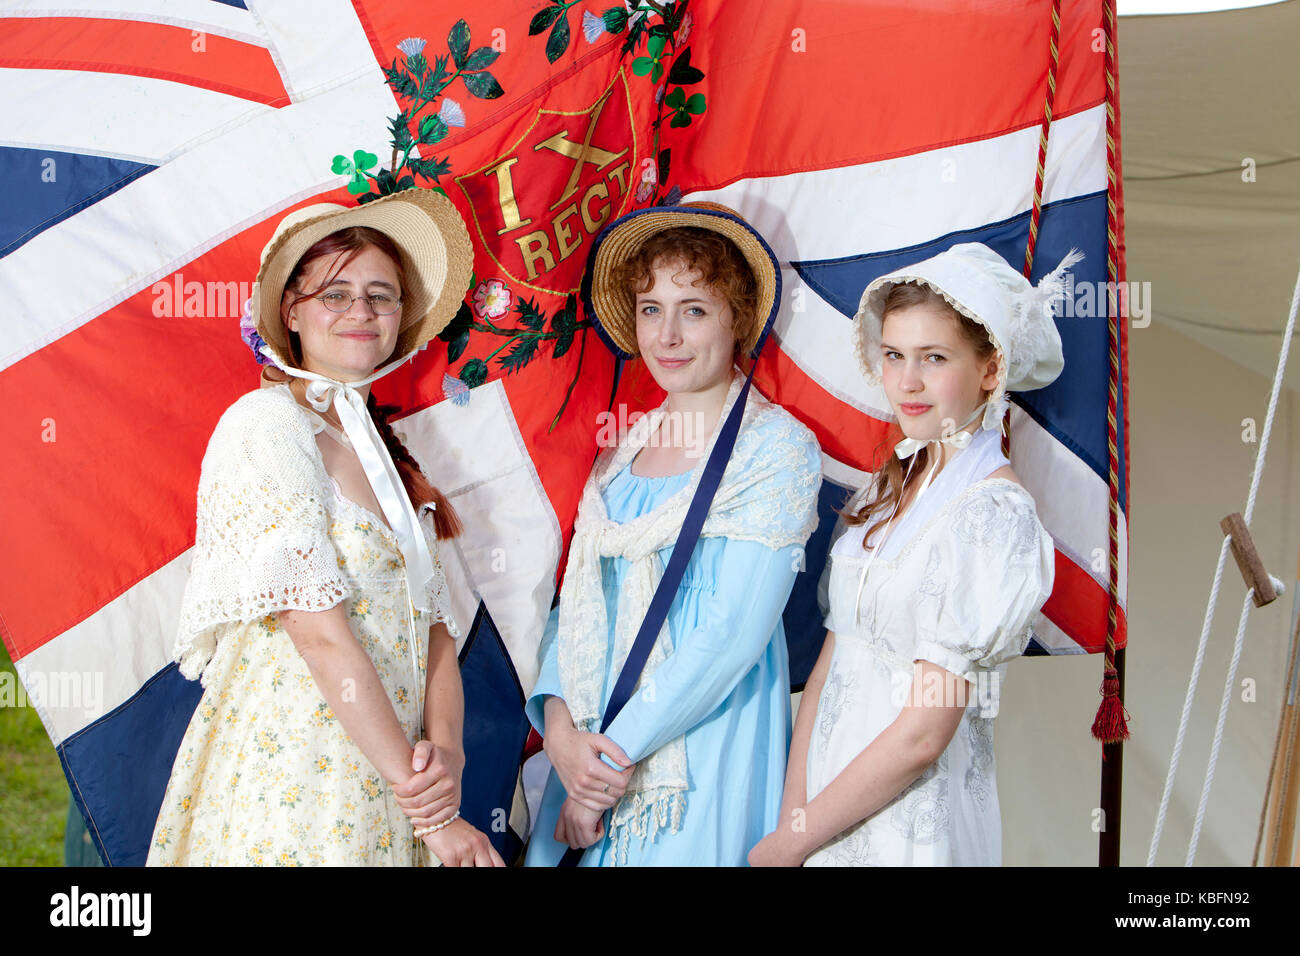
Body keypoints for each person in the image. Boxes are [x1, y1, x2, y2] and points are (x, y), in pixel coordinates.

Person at [148, 189, 503, 866]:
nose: (362, 311)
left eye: (381, 294)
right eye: (336, 294)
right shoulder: (267, 426)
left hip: (403, 780)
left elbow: (433, 631)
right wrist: (428, 812)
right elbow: (317, 632)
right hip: (303, 773)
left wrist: (446, 762)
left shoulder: (393, 456)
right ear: (293, 312)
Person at [749, 242, 1073, 866]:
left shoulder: (994, 517)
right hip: (820, 817)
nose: (908, 382)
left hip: (911, 830)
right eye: (895, 356)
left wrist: (792, 843)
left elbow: (924, 735)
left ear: (989, 369)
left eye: (934, 358)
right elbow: (828, 672)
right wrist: (793, 825)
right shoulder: (889, 487)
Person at [523, 203, 822, 866]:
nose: (668, 335)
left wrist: (606, 768)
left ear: (737, 318)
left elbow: (731, 633)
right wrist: (564, 737)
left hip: (696, 752)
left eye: (694, 309)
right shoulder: (620, 448)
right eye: (651, 309)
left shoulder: (774, 449)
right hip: (588, 752)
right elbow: (573, 609)